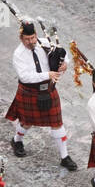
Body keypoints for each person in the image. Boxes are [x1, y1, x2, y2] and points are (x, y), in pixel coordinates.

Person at [4, 20, 77, 170]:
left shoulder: (44, 43)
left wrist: (65, 64)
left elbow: (62, 53)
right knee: (26, 122)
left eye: (33, 38)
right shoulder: (18, 54)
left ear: (36, 35)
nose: (31, 42)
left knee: (57, 123)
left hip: (48, 90)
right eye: (27, 39)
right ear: (21, 38)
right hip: (29, 91)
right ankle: (17, 140)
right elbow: (25, 77)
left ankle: (64, 157)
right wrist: (47, 74)